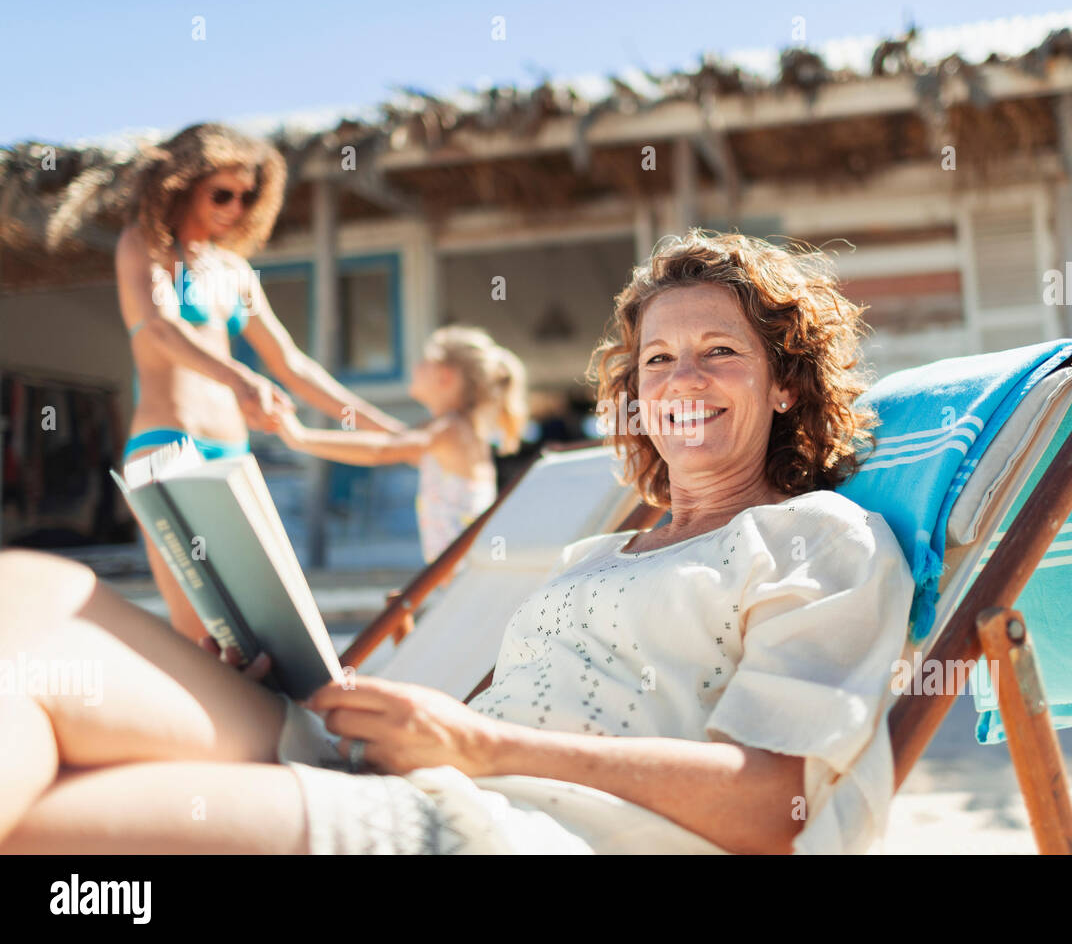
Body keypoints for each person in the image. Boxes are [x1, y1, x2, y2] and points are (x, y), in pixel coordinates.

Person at [0, 230, 915, 855]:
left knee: (54, 824)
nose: (685, 378)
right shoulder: (592, 557)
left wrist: (482, 751)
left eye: (722, 351)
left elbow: (777, 808)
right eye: (659, 359)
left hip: (520, 834)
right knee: (33, 591)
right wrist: (311, 688)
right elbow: (484, 717)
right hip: (415, 774)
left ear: (785, 386)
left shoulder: (817, 539)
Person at [90, 122, 406, 644]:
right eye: (222, 192)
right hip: (169, 446)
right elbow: (161, 328)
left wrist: (389, 429)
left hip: (234, 453)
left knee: (269, 622)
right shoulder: (146, 245)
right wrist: (240, 379)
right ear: (181, 183)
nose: (235, 207)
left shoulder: (234, 271)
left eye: (248, 196)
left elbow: (291, 363)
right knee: (203, 629)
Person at [275, 326, 527, 563]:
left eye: (424, 363)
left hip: (463, 577)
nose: (415, 368)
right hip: (463, 574)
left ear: (444, 376)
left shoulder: (449, 430)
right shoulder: (457, 429)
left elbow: (384, 449)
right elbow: (392, 435)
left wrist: (301, 437)